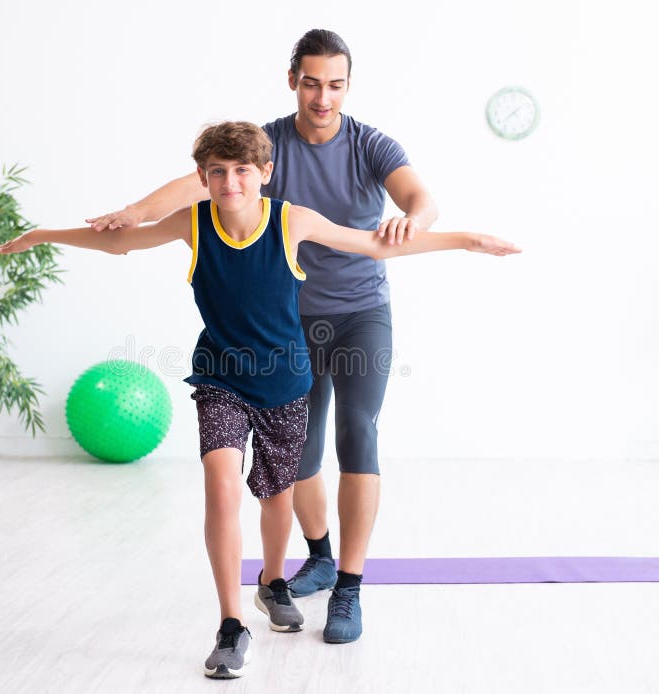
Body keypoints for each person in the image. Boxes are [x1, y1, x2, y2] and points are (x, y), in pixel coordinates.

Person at [0, 121, 518, 678]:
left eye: (242, 170)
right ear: (202, 177)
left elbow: (372, 244)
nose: (229, 182)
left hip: (286, 384)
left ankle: (272, 581)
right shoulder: (192, 224)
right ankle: (230, 625)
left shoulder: (292, 221)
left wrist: (465, 240)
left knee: (275, 499)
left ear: (265, 173)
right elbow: (119, 241)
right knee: (221, 488)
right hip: (220, 378)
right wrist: (45, 234)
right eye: (217, 172)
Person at [86, 29, 440, 644]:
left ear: (347, 86)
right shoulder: (269, 143)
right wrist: (136, 213)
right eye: (311, 83)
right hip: (291, 320)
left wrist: (416, 219)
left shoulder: (369, 144)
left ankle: (349, 588)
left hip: (360, 313)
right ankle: (320, 555)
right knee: (297, 457)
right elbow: (199, 183)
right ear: (292, 81)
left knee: (359, 435)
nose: (322, 97)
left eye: (334, 85)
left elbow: (417, 196)